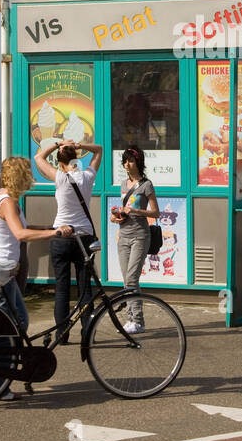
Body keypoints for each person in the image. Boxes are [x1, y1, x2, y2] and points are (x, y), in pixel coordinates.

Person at [0, 157, 71, 401]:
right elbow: (19, 233)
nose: (31, 178)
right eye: (27, 173)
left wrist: (50, 227)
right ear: (21, 176)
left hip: (2, 270)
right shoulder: (8, 202)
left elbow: (14, 229)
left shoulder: (1, 195)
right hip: (1, 271)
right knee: (10, 328)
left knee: (15, 325)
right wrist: (53, 232)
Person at [34, 139, 103, 344]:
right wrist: (80, 146)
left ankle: (62, 334)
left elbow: (38, 157)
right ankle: (87, 333)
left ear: (60, 163)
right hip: (84, 237)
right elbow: (99, 150)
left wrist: (57, 143)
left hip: (61, 236)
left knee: (62, 288)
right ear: (76, 158)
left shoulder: (60, 178)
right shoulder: (87, 177)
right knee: (85, 288)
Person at [112, 146, 159, 332]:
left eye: (130, 161)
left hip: (140, 235)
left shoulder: (147, 185)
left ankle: (138, 321)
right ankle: (130, 319)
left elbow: (156, 212)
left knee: (132, 279)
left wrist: (136, 211)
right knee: (127, 281)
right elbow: (122, 210)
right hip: (123, 235)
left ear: (138, 162)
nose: (126, 164)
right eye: (124, 161)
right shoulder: (123, 185)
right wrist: (115, 216)